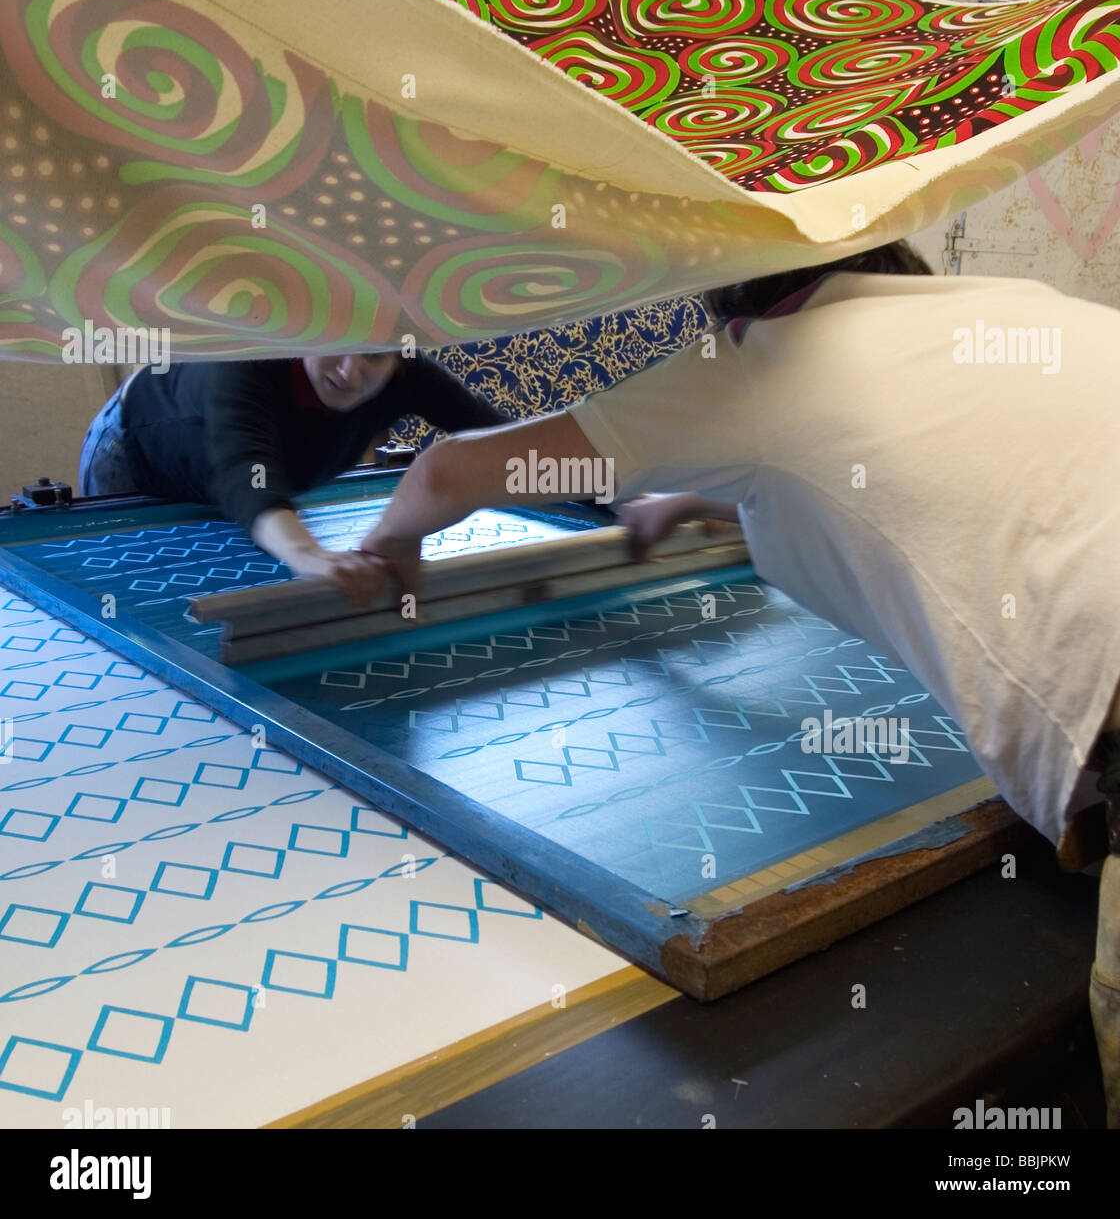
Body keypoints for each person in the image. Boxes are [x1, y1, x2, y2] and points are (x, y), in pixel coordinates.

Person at [352, 239, 1120, 1124]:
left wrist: (391, 548)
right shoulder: (1012, 306)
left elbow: (451, 469)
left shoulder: (768, 358)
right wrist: (699, 491)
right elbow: (908, 472)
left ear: (752, 313)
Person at [77, 351, 507, 602]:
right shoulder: (246, 360)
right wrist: (308, 554)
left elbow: (497, 439)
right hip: (138, 450)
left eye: (374, 354)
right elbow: (250, 476)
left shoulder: (408, 371)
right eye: (337, 345)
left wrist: (573, 478)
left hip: (237, 479)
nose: (349, 371)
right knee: (138, 605)